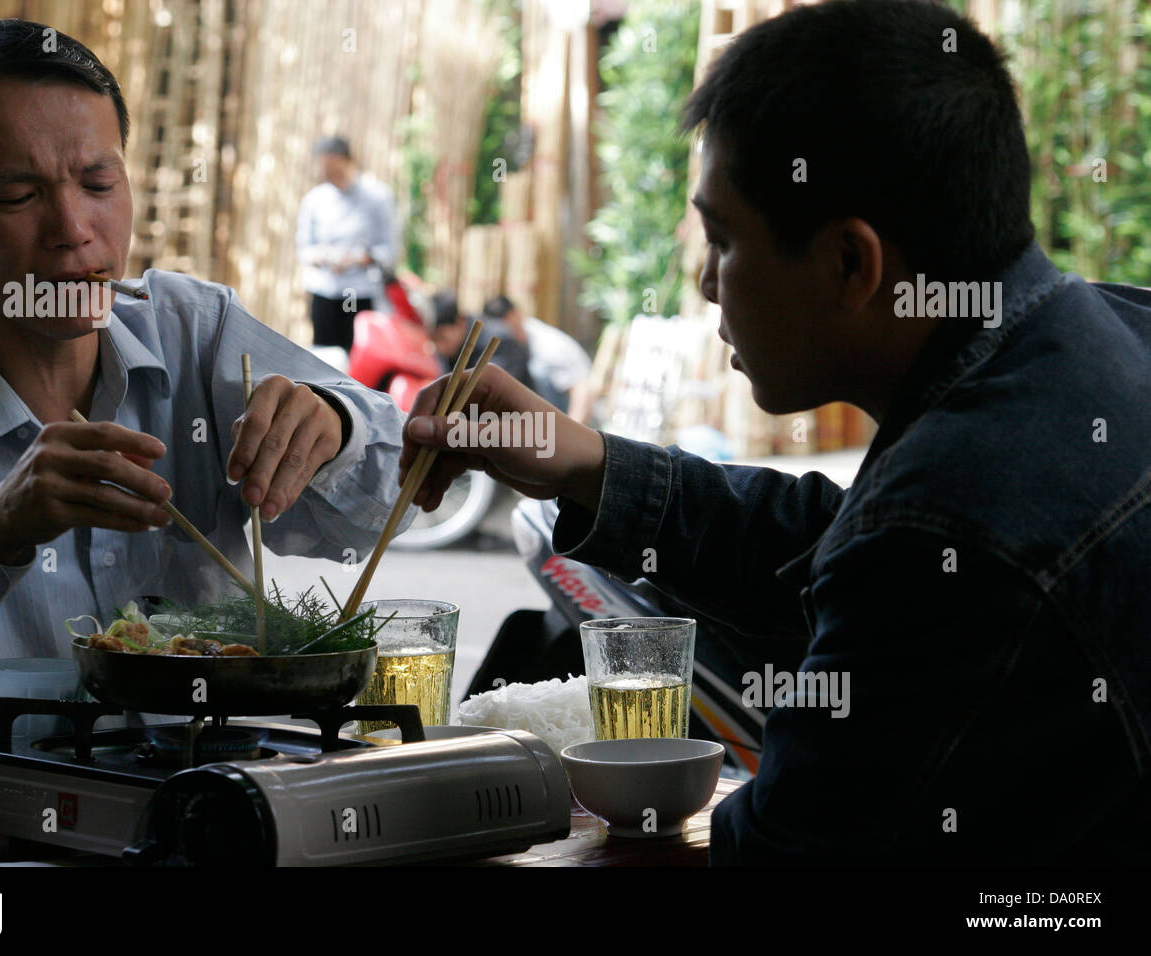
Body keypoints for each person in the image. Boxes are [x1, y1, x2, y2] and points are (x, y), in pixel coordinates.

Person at [400, 0, 1151, 864]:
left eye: (721, 239)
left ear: (849, 263)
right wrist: (590, 466)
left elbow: (780, 850)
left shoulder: (953, 517)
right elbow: (837, 548)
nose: (703, 279)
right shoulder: (1101, 336)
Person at [0, 19, 413, 833]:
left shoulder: (197, 334)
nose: (72, 228)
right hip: (0, 864)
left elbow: (391, 483)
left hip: (237, 834)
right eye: (18, 195)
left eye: (98, 183)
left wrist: (335, 421)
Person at [295, 135, 401, 353]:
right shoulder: (314, 201)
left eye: (336, 169)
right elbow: (304, 248)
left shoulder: (379, 197)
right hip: (324, 292)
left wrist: (360, 258)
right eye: (326, 170)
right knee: (324, 358)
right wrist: (322, 256)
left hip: (360, 293)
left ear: (350, 162)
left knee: (359, 358)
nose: (332, 176)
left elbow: (391, 249)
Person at [481, 295, 592, 422]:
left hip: (573, 423)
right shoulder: (516, 346)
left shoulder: (546, 346)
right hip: (547, 427)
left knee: (537, 370)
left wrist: (573, 436)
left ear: (513, 316)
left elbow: (581, 390)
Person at [430, 290, 533, 389]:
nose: (439, 348)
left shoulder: (497, 342)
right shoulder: (451, 350)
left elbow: (491, 392)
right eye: (433, 339)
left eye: (442, 338)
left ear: (460, 323)